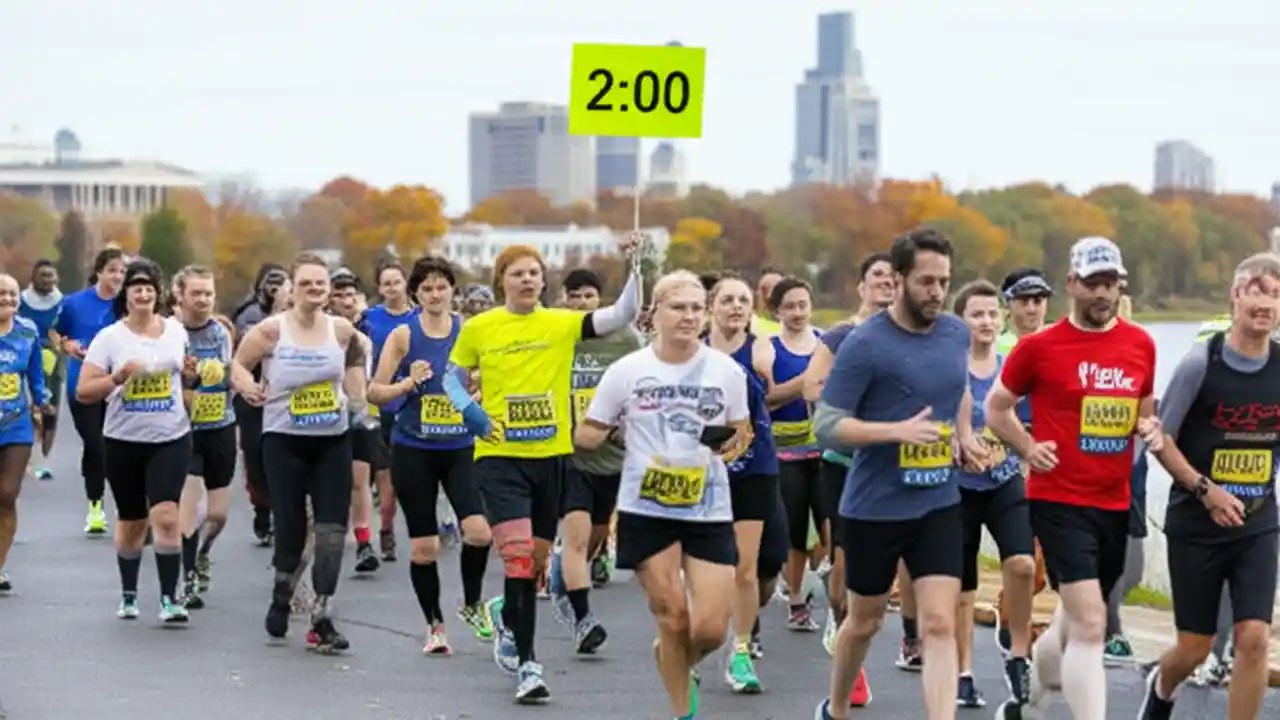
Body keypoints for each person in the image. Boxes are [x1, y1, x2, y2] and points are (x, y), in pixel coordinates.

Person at [442, 237, 639, 703]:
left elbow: (623, 313)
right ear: (501, 282)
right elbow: (449, 377)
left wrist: (637, 262)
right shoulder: (480, 327)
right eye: (517, 273)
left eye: (534, 272)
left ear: (543, 280)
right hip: (499, 458)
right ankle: (530, 666)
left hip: (551, 459)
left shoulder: (562, 323)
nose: (527, 279)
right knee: (516, 558)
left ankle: (508, 618)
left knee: (530, 567)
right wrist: (471, 412)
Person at [985, 237, 1160, 720]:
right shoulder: (1040, 347)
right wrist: (1027, 446)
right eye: (1093, 283)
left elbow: (1143, 412)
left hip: (1113, 500)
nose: (1102, 293)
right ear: (1071, 285)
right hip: (1058, 498)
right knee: (1090, 625)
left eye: (1111, 283)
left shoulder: (1140, 344)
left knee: (1070, 620)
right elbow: (996, 408)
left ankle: (1029, 703)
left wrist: (1149, 430)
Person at [813, 227, 982, 720]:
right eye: (926, 281)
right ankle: (838, 706)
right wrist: (894, 432)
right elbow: (825, 425)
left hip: (938, 504)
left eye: (944, 282)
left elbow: (959, 387)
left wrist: (965, 436)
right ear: (900, 278)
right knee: (863, 622)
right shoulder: (865, 344)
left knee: (937, 623)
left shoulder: (955, 333)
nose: (936, 292)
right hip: (874, 506)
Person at [574, 269, 746, 720]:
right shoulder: (627, 371)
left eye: (696, 308)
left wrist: (726, 446)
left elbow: (741, 432)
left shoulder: (726, 371)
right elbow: (589, 431)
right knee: (672, 616)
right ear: (655, 314)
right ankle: (680, 712)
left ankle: (675, 659)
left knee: (708, 629)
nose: (689, 316)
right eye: (678, 307)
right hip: (645, 505)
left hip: (707, 505)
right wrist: (605, 434)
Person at [1139, 253, 1280, 720]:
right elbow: (1163, 441)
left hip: (1257, 522)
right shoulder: (1201, 362)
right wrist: (1207, 491)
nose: (1266, 304)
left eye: (1276, 294)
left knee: (1254, 638)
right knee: (1195, 648)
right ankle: (1161, 687)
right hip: (1197, 521)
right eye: (1257, 291)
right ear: (1236, 295)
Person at [231, 252, 368, 653]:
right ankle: (281, 593)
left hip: (332, 439)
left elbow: (356, 360)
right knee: (290, 531)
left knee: (331, 530)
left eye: (320, 284)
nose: (314, 290)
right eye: (305, 283)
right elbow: (237, 364)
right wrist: (247, 387)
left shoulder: (341, 331)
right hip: (284, 439)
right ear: (292, 288)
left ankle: (323, 614)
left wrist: (357, 396)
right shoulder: (271, 331)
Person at [369, 255, 494, 654]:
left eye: (442, 287)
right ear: (416, 294)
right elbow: (374, 392)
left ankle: (472, 603)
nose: (436, 294)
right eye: (427, 288)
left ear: (453, 290)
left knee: (479, 532)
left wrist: (478, 393)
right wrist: (407, 383)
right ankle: (434, 625)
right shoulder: (403, 336)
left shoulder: (469, 331)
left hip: (460, 449)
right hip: (414, 450)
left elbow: (488, 380)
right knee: (425, 549)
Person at [77, 259, 193, 624]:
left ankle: (169, 599)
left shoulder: (175, 331)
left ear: (157, 295)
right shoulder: (110, 338)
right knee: (132, 522)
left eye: (149, 288)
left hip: (170, 437)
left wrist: (191, 378)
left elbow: (185, 382)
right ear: (125, 296)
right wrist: (116, 378)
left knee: (167, 515)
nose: (143, 294)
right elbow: (83, 391)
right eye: (136, 288)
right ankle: (129, 594)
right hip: (124, 440)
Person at [801, 252, 892, 707]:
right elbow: (812, 388)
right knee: (842, 576)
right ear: (861, 286)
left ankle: (855, 663)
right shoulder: (841, 335)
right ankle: (839, 625)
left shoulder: (909, 337)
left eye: (894, 276)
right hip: (841, 465)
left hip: (891, 469)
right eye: (876, 275)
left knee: (868, 575)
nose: (886, 283)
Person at [949, 280, 1037, 710]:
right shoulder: (947, 371)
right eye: (976, 314)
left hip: (1004, 481)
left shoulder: (1012, 369)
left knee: (1021, 564)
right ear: (960, 322)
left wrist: (1024, 452)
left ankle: (1018, 654)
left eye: (991, 314)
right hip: (958, 488)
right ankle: (963, 671)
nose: (986, 321)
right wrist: (954, 444)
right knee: (962, 586)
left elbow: (1032, 426)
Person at [547, 268, 643, 653]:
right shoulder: (560, 335)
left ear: (600, 300)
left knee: (596, 539)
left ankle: (562, 573)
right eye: (575, 296)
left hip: (613, 456)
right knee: (576, 535)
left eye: (589, 296)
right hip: (570, 454)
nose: (582, 303)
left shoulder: (625, 339)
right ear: (565, 300)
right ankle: (584, 620)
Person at [704, 272, 781, 695]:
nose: (736, 307)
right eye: (728, 300)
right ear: (711, 306)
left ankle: (741, 650)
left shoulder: (759, 351)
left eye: (743, 301)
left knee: (747, 569)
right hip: (699, 471)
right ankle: (696, 636)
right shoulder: (691, 351)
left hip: (753, 466)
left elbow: (770, 389)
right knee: (705, 566)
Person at [172, 266, 236, 610]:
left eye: (208, 293)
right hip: (185, 431)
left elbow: (229, 375)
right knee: (191, 509)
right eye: (196, 293)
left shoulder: (221, 333)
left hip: (221, 427)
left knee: (219, 515)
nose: (203, 300)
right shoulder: (171, 332)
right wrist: (187, 384)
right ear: (180, 295)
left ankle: (202, 554)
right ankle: (187, 578)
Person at [764, 277, 825, 631]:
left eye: (803, 305)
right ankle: (797, 597)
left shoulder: (823, 344)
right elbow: (768, 398)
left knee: (833, 530)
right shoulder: (768, 347)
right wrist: (806, 382)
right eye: (790, 306)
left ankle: (819, 570)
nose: (798, 313)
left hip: (823, 449)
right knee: (795, 529)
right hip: (784, 452)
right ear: (776, 311)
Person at [55, 248, 125, 535]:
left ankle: (125, 504)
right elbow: (56, 332)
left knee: (118, 447)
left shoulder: (126, 304)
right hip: (82, 385)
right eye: (112, 270)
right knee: (96, 446)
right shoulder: (74, 303)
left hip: (118, 386)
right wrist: (67, 345)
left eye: (122, 271)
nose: (118, 276)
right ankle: (95, 507)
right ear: (99, 272)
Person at [360, 260, 417, 563]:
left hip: (408, 405)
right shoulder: (369, 318)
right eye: (386, 283)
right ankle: (375, 532)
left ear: (406, 284)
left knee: (394, 479)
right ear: (379, 288)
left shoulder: (419, 318)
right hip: (375, 404)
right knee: (375, 475)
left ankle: (389, 528)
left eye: (397, 281)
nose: (392, 288)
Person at [231, 264, 290, 545]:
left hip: (285, 397)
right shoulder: (250, 316)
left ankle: (282, 511)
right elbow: (243, 357)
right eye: (271, 285)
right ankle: (262, 508)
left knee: (281, 456)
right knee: (255, 456)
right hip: (252, 397)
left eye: (282, 284)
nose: (276, 290)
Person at [329, 268, 383, 575]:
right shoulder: (318, 334)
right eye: (339, 295)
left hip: (359, 413)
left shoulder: (364, 338)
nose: (346, 301)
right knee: (333, 481)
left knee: (360, 479)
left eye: (351, 295)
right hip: (322, 416)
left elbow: (369, 377)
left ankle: (364, 542)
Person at [0, 273, 51, 594]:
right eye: (1, 294)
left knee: (6, 494)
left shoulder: (27, 331)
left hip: (16, 425)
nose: (7, 299)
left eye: (12, 294)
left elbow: (35, 375)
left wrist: (43, 403)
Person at [17, 260, 62, 481]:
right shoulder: (21, 302)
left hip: (51, 362)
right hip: (21, 358)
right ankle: (26, 457)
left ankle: (43, 455)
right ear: (33, 277)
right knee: (27, 407)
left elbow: (67, 332)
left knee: (50, 408)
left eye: (51, 276)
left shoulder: (62, 303)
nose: (47, 280)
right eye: (43, 275)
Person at [752, 268, 784, 337]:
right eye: (764, 290)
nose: (769, 296)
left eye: (776, 290)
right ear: (757, 294)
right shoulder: (745, 328)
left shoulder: (799, 330)